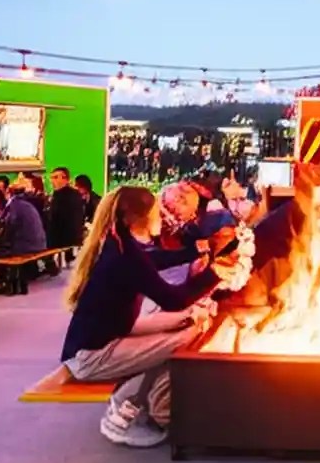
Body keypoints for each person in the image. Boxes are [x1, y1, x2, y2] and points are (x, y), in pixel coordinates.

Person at [60, 186, 243, 447]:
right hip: (92, 356)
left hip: (108, 335)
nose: (164, 217)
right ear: (142, 218)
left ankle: (147, 402)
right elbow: (173, 298)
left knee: (189, 321)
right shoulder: (125, 256)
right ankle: (127, 409)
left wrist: (199, 251)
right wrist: (216, 274)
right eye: (158, 211)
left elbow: (155, 260)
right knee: (191, 335)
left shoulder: (118, 242)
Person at [47, 166, 87, 255]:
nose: (52, 181)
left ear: (64, 178)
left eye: (55, 177)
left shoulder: (66, 197)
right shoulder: (72, 195)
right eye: (52, 178)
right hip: (69, 244)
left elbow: (59, 220)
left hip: (63, 245)